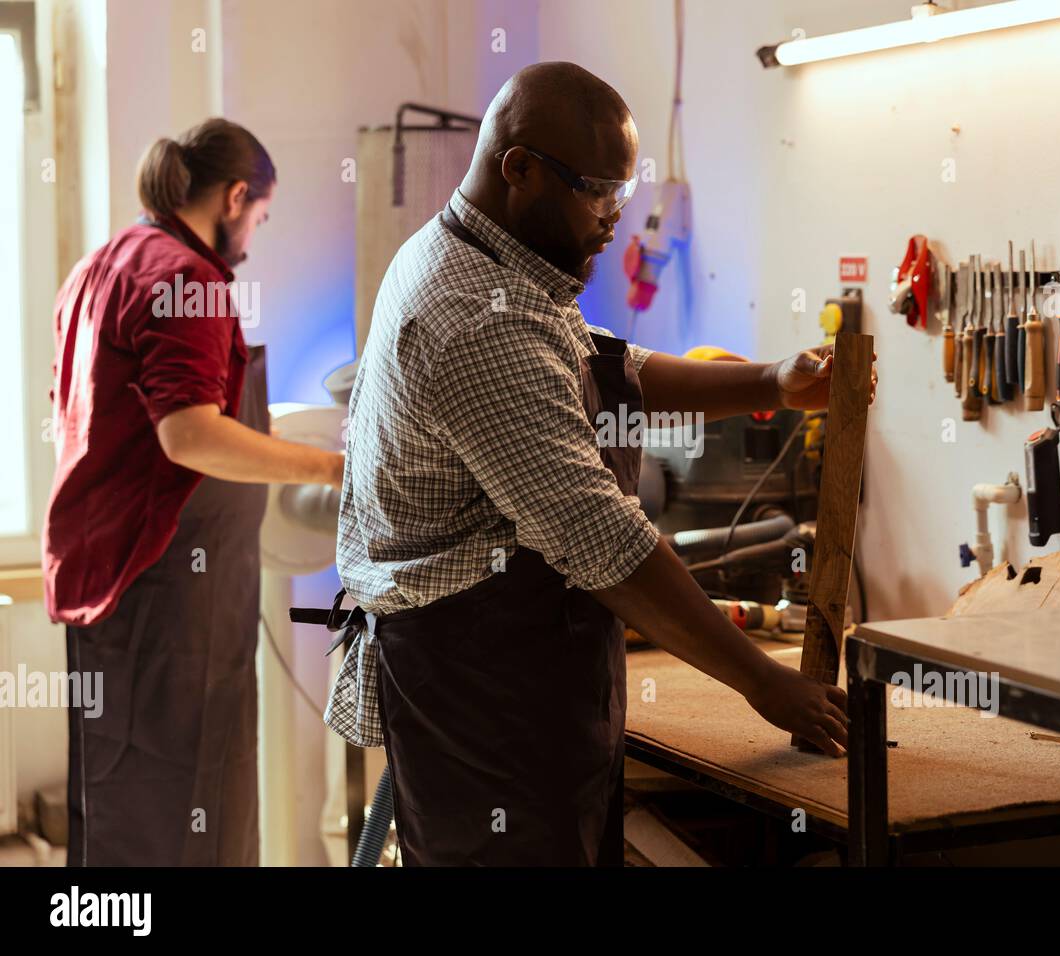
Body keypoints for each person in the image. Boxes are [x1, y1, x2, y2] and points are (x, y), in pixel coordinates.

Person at [321, 62, 876, 866]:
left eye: (624, 191)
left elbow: (609, 369)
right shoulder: (474, 316)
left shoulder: (497, 265)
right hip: (489, 708)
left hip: (519, 686)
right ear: (519, 169)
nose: (616, 218)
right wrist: (767, 684)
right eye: (599, 193)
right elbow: (604, 541)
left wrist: (771, 384)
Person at [44, 118, 345, 866]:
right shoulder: (189, 279)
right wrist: (331, 467)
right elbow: (191, 436)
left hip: (103, 574)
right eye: (261, 218)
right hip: (168, 584)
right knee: (183, 803)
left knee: (117, 804)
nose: (252, 238)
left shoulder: (99, 267)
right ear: (236, 195)